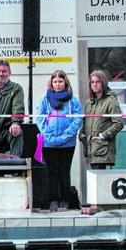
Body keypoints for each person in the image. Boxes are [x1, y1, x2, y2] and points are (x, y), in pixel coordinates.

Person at [33, 69, 82, 211]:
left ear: (65, 82)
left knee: (64, 171)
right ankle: (53, 200)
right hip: (49, 143)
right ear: (51, 83)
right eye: (55, 81)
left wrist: (64, 137)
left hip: (68, 143)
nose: (58, 84)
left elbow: (77, 120)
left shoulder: (73, 100)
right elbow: (40, 118)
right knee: (52, 172)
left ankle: (65, 200)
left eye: (60, 81)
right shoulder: (45, 99)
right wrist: (49, 136)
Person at [80, 69, 124, 169]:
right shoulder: (89, 102)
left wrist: (103, 135)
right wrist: (81, 133)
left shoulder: (111, 100)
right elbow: (85, 121)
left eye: (98, 82)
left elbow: (119, 123)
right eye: (92, 82)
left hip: (102, 149)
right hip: (90, 148)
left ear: (103, 83)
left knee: (100, 180)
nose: (95, 84)